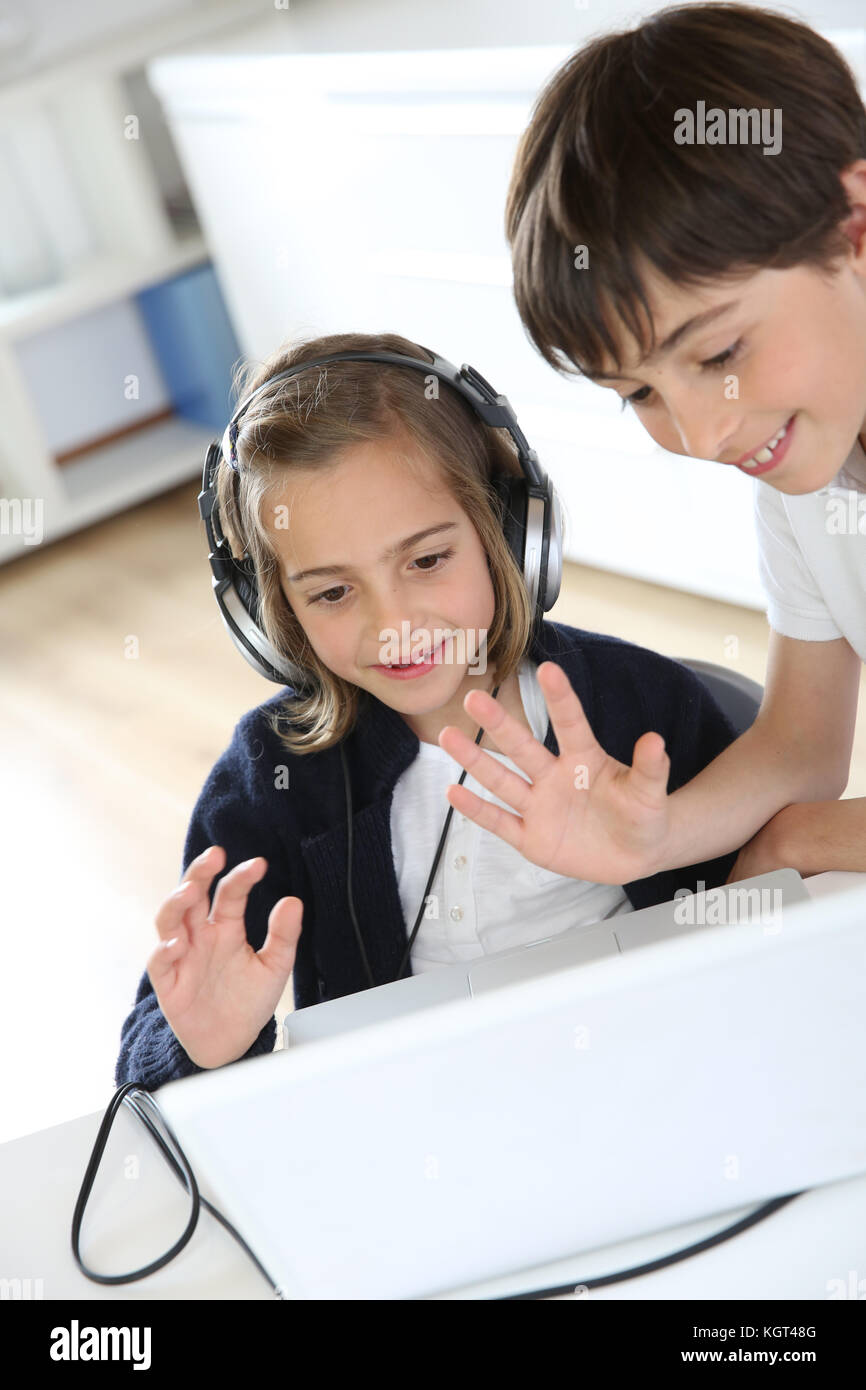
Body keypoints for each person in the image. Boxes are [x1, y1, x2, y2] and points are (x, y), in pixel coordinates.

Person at [116, 330, 743, 1092]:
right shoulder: (271, 779)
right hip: (422, 1115)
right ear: (273, 613)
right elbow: (156, 1047)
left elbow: (763, 911)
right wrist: (204, 1045)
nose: (394, 624)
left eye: (426, 560)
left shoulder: (639, 703)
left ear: (508, 530)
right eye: (333, 592)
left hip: (661, 1067)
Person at [437, 2, 866, 885]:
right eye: (638, 394)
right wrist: (651, 838)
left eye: (719, 353)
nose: (704, 433)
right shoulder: (807, 471)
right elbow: (800, 744)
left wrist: (797, 843)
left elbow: (805, 817)